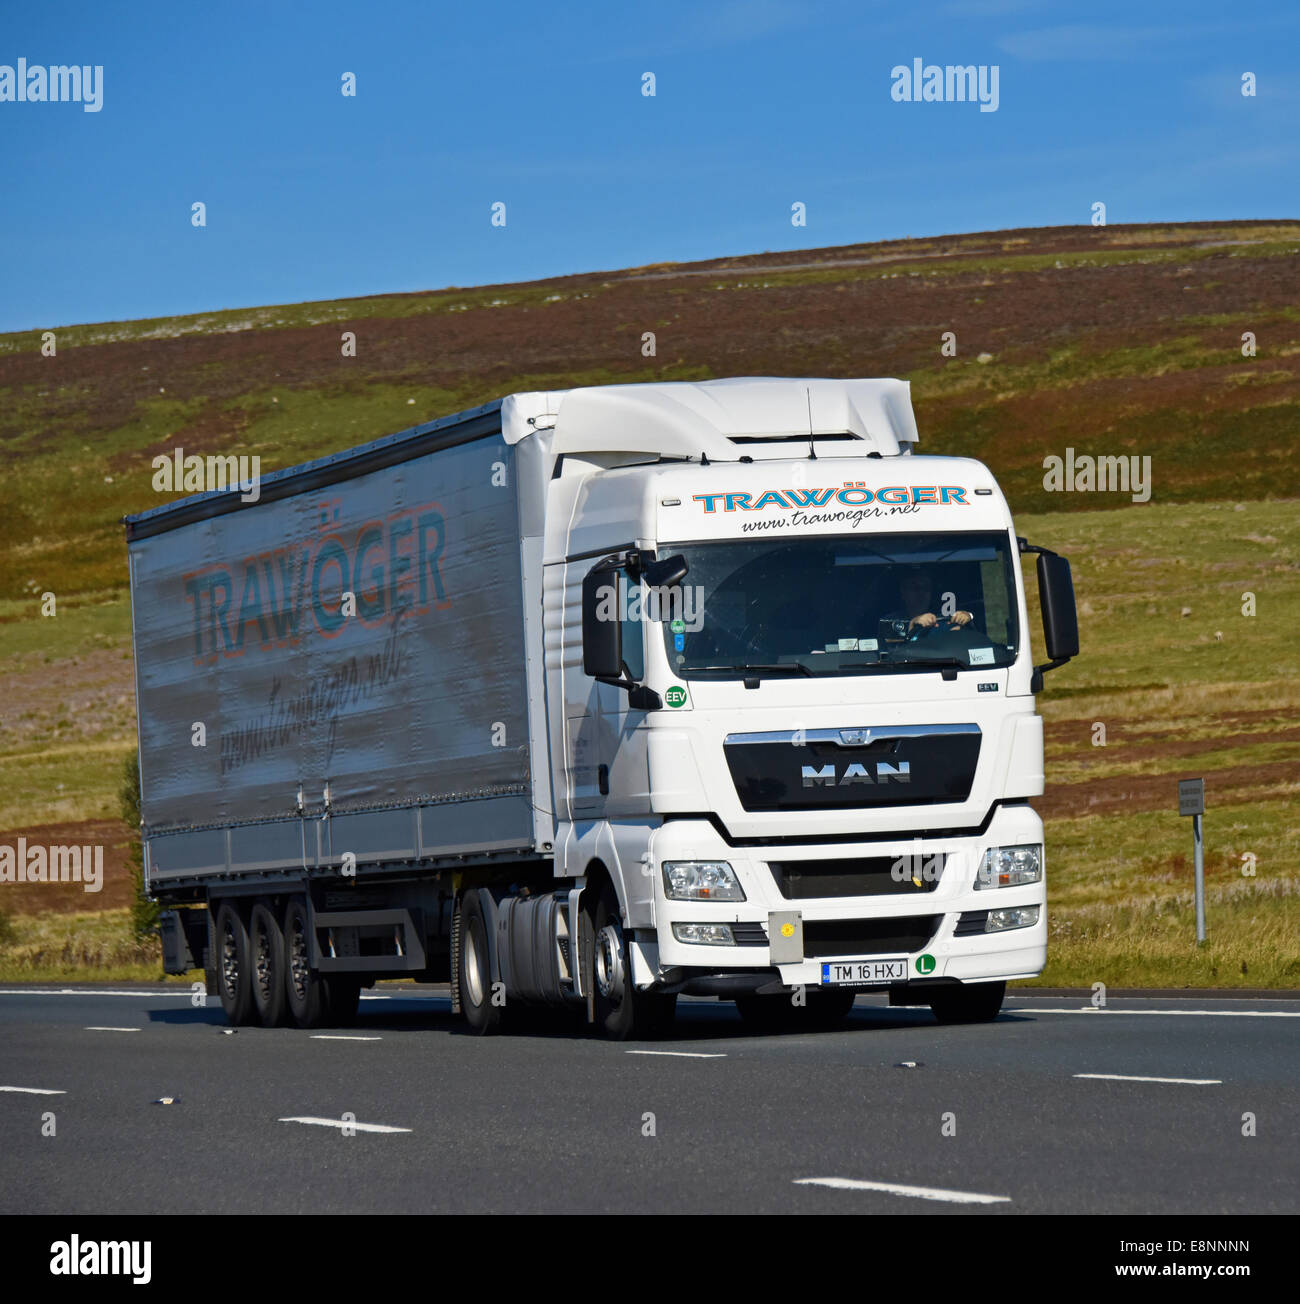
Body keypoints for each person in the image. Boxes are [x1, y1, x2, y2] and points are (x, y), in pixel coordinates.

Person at [885, 566, 973, 633]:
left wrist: (967, 618)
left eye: (926, 587)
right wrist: (912, 625)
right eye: (914, 587)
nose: (921, 592)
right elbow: (889, 652)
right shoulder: (890, 622)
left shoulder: (945, 619)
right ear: (903, 592)